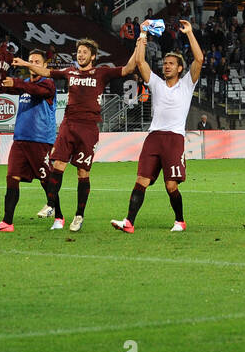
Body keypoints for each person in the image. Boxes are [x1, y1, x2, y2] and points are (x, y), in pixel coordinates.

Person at [16, 38, 139, 231]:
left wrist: (141, 42)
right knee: (57, 164)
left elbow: (130, 67)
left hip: (89, 128)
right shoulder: (69, 72)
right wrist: (26, 64)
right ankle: (50, 204)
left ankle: (79, 216)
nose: (80, 55)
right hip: (69, 125)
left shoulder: (101, 72)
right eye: (78, 52)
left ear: (93, 56)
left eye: (84, 52)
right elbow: (47, 72)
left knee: (83, 172)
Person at [112, 20, 202, 233]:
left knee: (171, 186)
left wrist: (189, 33)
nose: (166, 65)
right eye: (165, 63)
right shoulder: (156, 83)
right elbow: (141, 62)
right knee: (141, 180)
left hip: (174, 139)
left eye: (171, 63)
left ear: (180, 68)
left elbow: (199, 59)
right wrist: (142, 33)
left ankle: (180, 220)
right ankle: (129, 222)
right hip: (153, 138)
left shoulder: (188, 84)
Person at [0, 48, 57, 232]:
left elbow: (35, 90)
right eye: (30, 60)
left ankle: (59, 215)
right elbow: (1, 87)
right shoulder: (24, 83)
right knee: (12, 177)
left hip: (40, 139)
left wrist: (16, 82)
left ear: (45, 65)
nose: (32, 64)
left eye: (37, 62)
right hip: (20, 139)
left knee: (46, 179)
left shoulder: (48, 84)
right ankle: (7, 222)